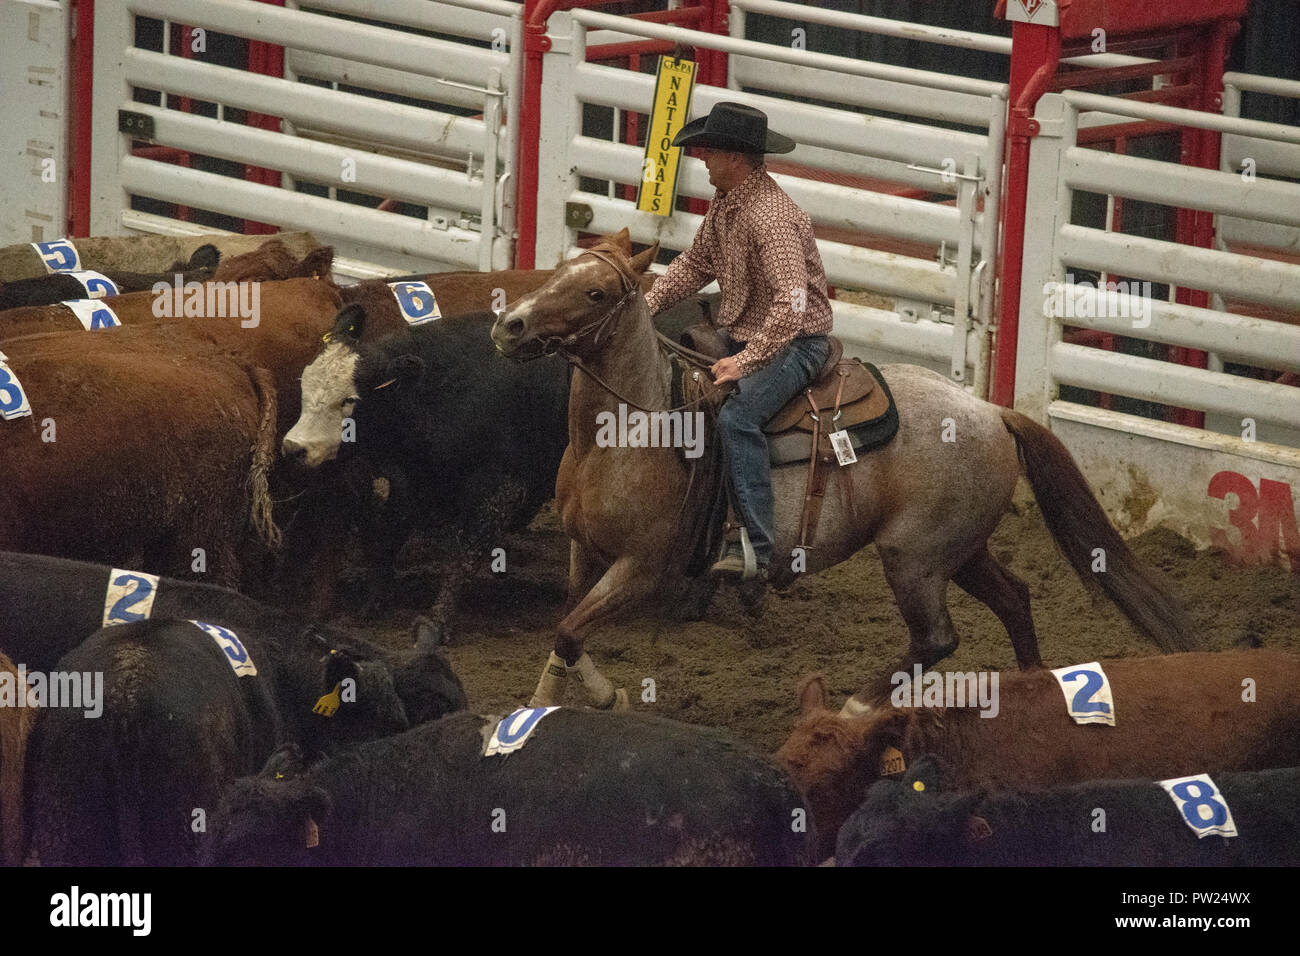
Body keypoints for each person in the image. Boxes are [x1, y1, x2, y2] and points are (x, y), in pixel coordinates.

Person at [643, 102, 833, 580]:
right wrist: (644, 306)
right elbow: (695, 264)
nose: (703, 158)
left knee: (738, 415)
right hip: (747, 334)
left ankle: (756, 544)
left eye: (711, 151)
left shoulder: (771, 218)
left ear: (737, 158)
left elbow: (792, 305)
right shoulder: (728, 205)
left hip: (795, 344)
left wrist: (745, 362)